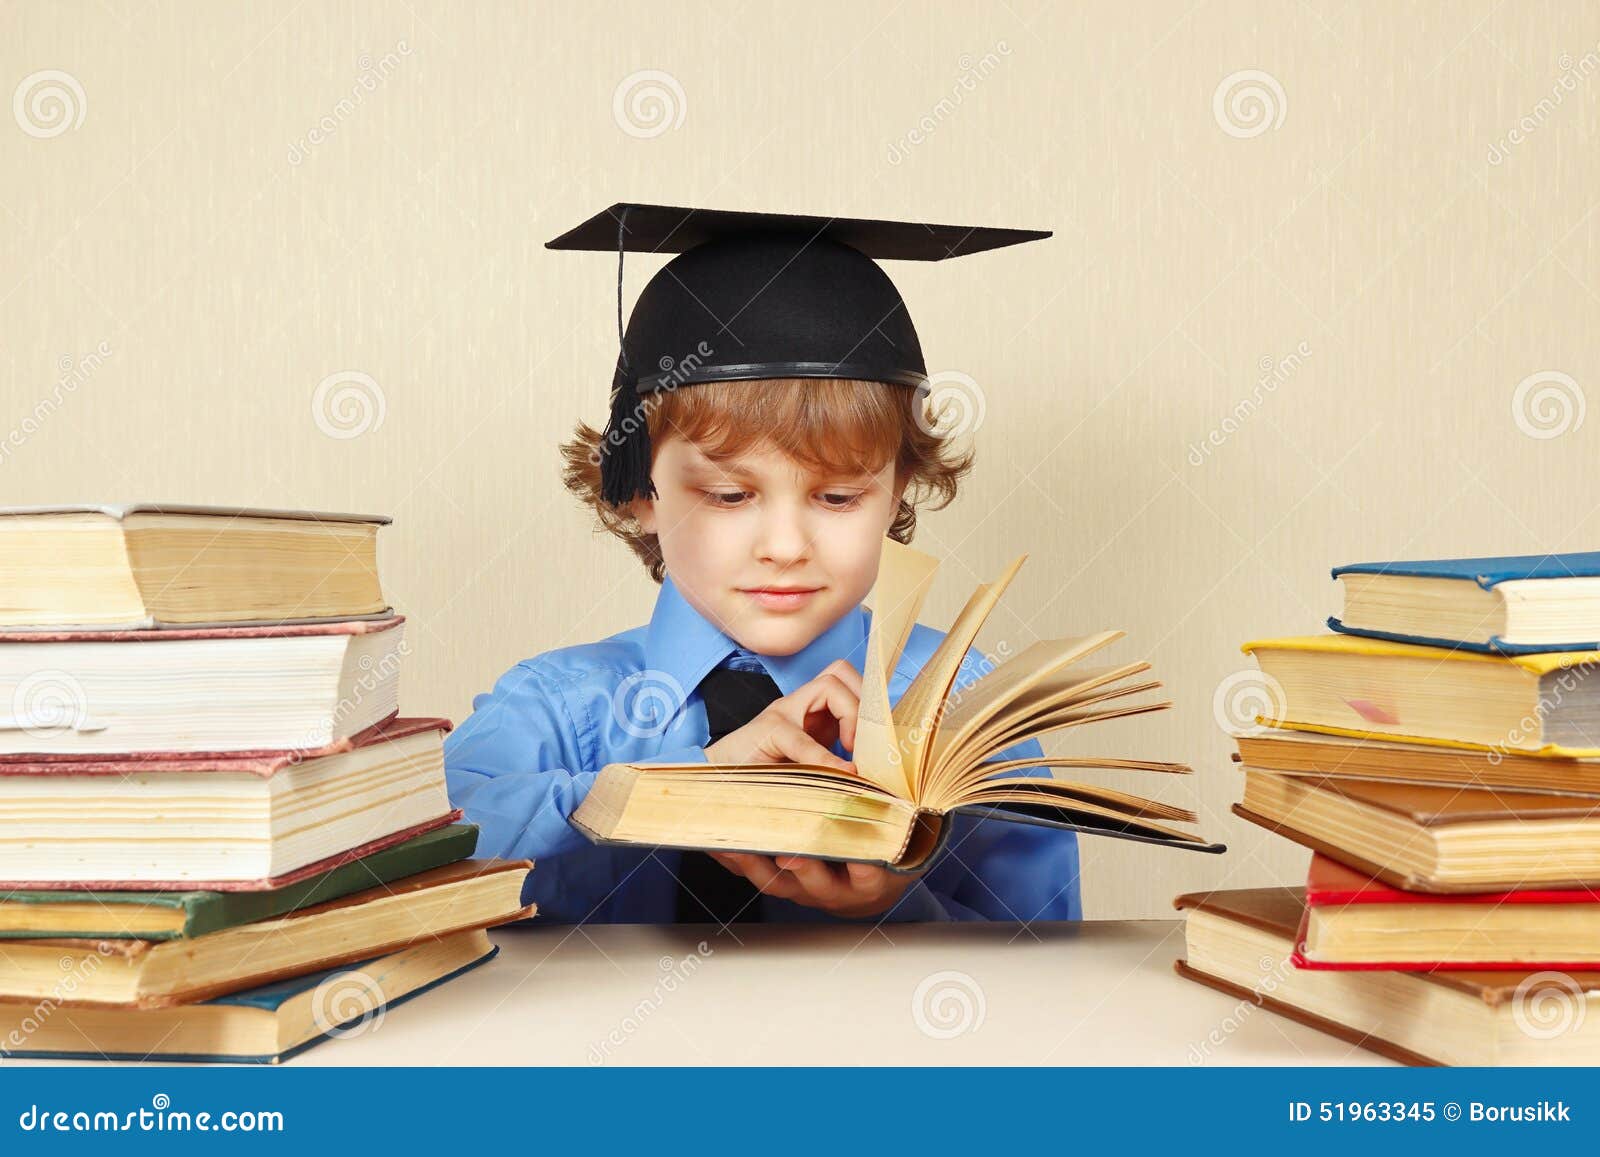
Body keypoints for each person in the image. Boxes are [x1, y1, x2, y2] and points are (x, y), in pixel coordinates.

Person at [443, 204, 1080, 924]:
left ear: (899, 486)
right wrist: (691, 786)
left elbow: (1045, 974)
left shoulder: (966, 710)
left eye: (838, 495)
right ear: (640, 489)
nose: (785, 545)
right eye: (728, 493)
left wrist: (894, 908)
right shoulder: (558, 707)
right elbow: (410, 849)